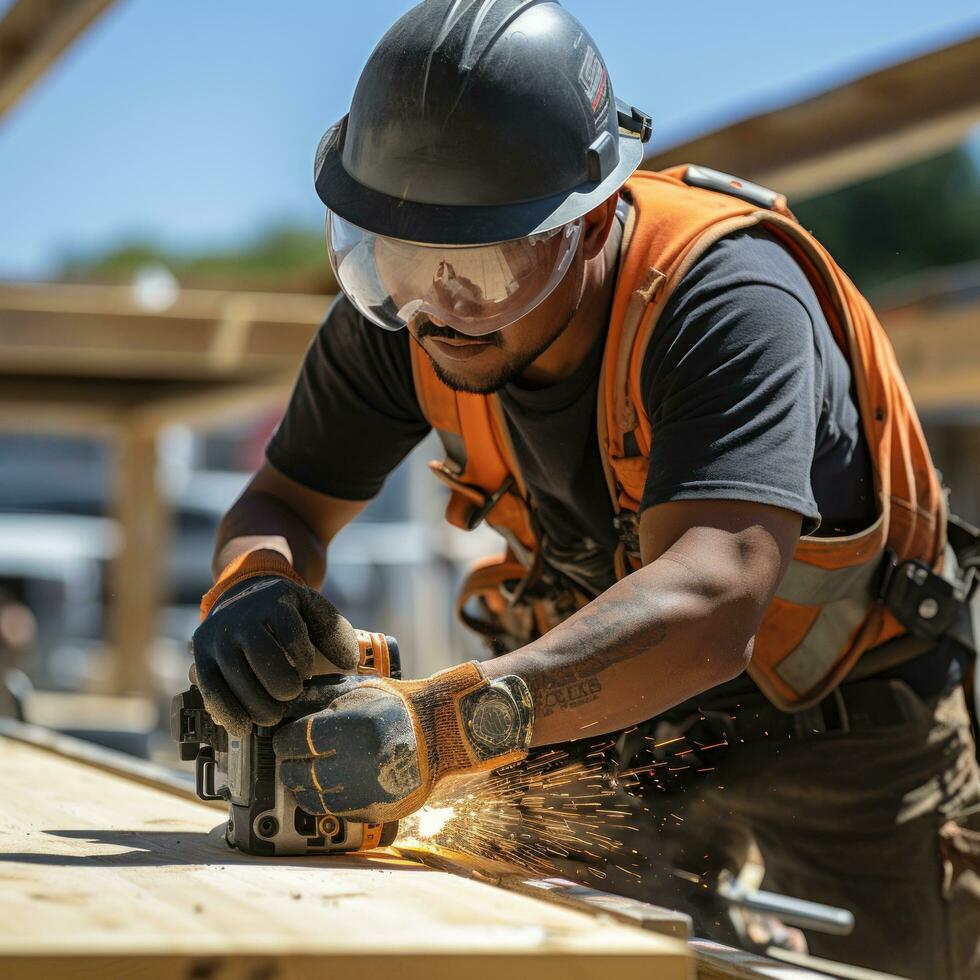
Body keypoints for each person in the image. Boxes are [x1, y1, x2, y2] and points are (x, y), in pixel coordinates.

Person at [191, 2, 980, 976]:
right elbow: (283, 502)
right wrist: (252, 588)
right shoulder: (413, 315)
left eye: (478, 263)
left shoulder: (727, 296)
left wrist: (436, 725)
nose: (437, 307)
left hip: (850, 738)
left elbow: (708, 600)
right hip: (600, 716)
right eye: (397, 259)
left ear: (590, 217)